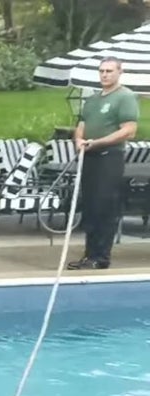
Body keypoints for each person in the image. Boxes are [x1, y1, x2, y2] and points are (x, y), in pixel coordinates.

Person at [68, 56, 140, 270]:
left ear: (119, 72)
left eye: (109, 71)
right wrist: (79, 140)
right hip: (89, 157)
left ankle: (101, 257)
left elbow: (129, 130)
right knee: (90, 206)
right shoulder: (92, 100)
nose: (105, 75)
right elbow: (81, 124)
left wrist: (97, 142)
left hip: (109, 157)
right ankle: (89, 254)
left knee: (104, 206)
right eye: (102, 71)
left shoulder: (125, 97)